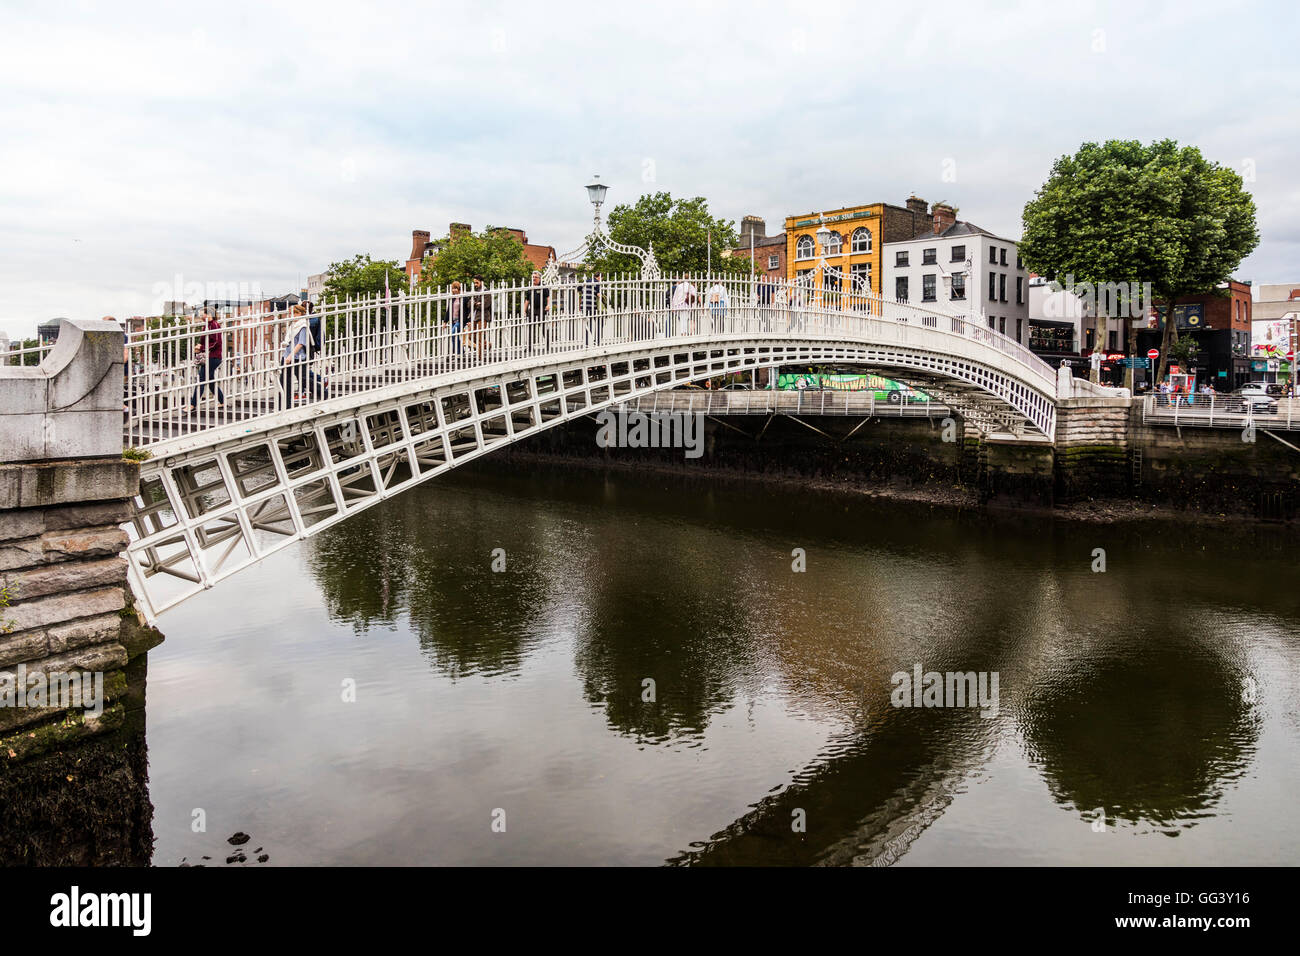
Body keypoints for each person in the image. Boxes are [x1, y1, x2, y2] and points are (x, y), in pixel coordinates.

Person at [189, 310, 225, 413]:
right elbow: (204, 341)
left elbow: (216, 342)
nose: (200, 316)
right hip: (209, 357)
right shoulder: (206, 325)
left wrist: (202, 348)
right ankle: (222, 401)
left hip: (214, 357)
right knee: (210, 382)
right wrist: (199, 346)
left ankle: (193, 405)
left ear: (209, 314)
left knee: (201, 379)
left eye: (202, 314)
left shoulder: (214, 325)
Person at [280, 307, 312, 408]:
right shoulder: (293, 326)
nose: (291, 316)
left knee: (304, 380)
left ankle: (323, 392)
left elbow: (301, 343)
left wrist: (290, 356)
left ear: (300, 314)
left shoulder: (303, 326)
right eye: (290, 313)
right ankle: (284, 406)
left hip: (297, 358)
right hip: (287, 356)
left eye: (294, 313)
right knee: (284, 382)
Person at [524, 271, 549, 352]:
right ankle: (530, 347)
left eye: (535, 277)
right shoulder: (530, 288)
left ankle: (548, 345)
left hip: (541, 309)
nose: (534, 278)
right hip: (532, 309)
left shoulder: (543, 286)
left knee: (543, 328)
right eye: (533, 277)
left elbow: (548, 297)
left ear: (539, 278)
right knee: (531, 328)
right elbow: (527, 300)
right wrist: (524, 310)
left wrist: (548, 305)